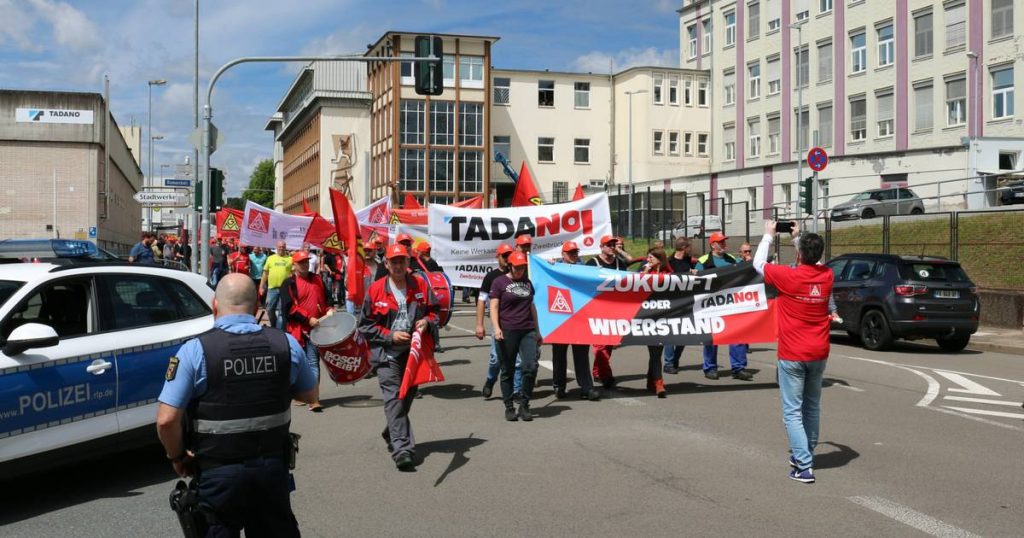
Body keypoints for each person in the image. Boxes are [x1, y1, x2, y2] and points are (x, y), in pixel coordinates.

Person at [155, 274, 316, 537]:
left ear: (214, 305)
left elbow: (166, 420)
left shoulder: (195, 351)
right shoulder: (285, 343)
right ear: (256, 308)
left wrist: (177, 457)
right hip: (271, 471)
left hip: (218, 475)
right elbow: (309, 395)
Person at [752, 220, 833, 484]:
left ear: (799, 255)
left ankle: (804, 466)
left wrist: (768, 236)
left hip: (792, 352)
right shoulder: (827, 276)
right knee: (812, 408)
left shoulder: (789, 277)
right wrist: (798, 238)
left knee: (792, 411)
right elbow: (815, 262)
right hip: (819, 351)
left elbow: (758, 265)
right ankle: (804, 455)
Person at [358, 244, 438, 470]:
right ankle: (403, 449)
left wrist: (427, 322)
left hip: (415, 355)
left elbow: (434, 312)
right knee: (394, 399)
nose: (398, 265)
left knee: (406, 399)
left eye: (402, 260)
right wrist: (390, 336)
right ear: (387, 264)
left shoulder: (420, 284)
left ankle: (391, 431)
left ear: (408, 262)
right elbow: (365, 326)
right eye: (394, 261)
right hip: (386, 355)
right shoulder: (374, 290)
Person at [490, 251, 541, 422]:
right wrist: (497, 328)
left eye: (523, 268)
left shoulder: (527, 283)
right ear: (510, 265)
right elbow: (494, 307)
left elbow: (532, 307)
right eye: (517, 267)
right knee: (508, 369)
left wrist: (538, 330)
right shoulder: (499, 282)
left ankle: (525, 404)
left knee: (531, 366)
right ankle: (509, 406)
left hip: (527, 330)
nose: (520, 271)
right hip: (508, 330)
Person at [695, 232, 754, 381]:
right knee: (711, 338)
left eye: (724, 242)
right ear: (712, 245)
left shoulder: (731, 259)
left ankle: (738, 368)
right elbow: (696, 281)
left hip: (731, 304)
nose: (723, 244)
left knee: (737, 335)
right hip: (711, 305)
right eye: (720, 242)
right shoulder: (703, 261)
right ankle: (710, 368)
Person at [550, 241, 600, 401]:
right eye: (570, 252)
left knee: (582, 354)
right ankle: (559, 385)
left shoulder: (584, 270)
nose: (574, 255)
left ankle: (586, 387)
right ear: (562, 254)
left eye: (575, 252)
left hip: (579, 318)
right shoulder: (553, 268)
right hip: (560, 318)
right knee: (559, 355)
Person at [280, 250, 329, 413]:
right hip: (297, 331)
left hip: (316, 330)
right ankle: (299, 394)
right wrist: (307, 319)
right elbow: (289, 308)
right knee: (297, 364)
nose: (305, 264)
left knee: (313, 362)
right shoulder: (289, 283)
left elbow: (327, 298)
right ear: (294, 265)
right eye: (301, 262)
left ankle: (313, 399)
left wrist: (330, 309)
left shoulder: (318, 279)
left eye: (306, 261)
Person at [474, 244, 522, 399]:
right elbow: (482, 301)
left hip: (516, 323)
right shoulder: (491, 277)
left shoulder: (518, 274)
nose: (507, 258)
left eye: (510, 255)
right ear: (498, 257)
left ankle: (516, 390)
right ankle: (490, 380)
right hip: (498, 324)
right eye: (504, 255)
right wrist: (479, 324)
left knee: (517, 360)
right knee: (496, 359)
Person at [586, 235, 631, 389]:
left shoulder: (620, 264)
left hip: (615, 309)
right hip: (597, 308)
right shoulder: (592, 263)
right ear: (601, 247)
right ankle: (607, 375)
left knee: (610, 343)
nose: (612, 247)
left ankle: (597, 371)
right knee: (600, 345)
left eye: (614, 244)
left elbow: (628, 283)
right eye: (609, 244)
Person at [639, 248, 672, 398]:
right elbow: (636, 285)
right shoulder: (644, 270)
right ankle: (659, 383)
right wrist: (646, 271)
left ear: (660, 259)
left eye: (651, 257)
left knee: (657, 351)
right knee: (654, 351)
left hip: (663, 317)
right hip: (647, 316)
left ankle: (651, 381)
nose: (649, 259)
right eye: (648, 256)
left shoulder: (668, 272)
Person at [663, 237, 697, 374]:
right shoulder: (669, 262)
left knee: (685, 333)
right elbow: (668, 278)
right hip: (672, 302)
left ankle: (676, 358)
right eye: (689, 247)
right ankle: (668, 362)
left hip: (686, 302)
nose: (691, 249)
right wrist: (687, 274)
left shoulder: (689, 261)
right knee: (671, 334)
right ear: (684, 247)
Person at [261, 241, 292, 330]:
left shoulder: (290, 259)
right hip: (272, 288)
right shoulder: (270, 258)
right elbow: (265, 273)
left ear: (285, 247)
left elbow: (293, 273)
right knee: (269, 309)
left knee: (282, 312)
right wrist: (261, 286)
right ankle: (274, 325)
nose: (281, 248)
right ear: (276, 247)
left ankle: (279, 331)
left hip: (284, 289)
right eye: (280, 246)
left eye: (283, 246)